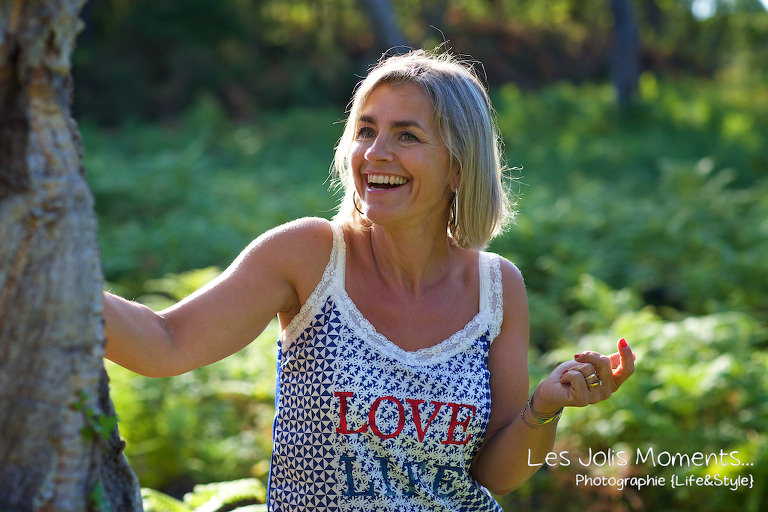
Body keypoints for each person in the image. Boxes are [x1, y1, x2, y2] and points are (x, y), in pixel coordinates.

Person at [104, 49, 635, 511]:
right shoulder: (311, 256)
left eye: (407, 135)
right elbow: (165, 343)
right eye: (366, 130)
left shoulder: (497, 289)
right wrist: (40, 282)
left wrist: (544, 408)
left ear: (458, 168)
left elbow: (493, 476)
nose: (375, 153)